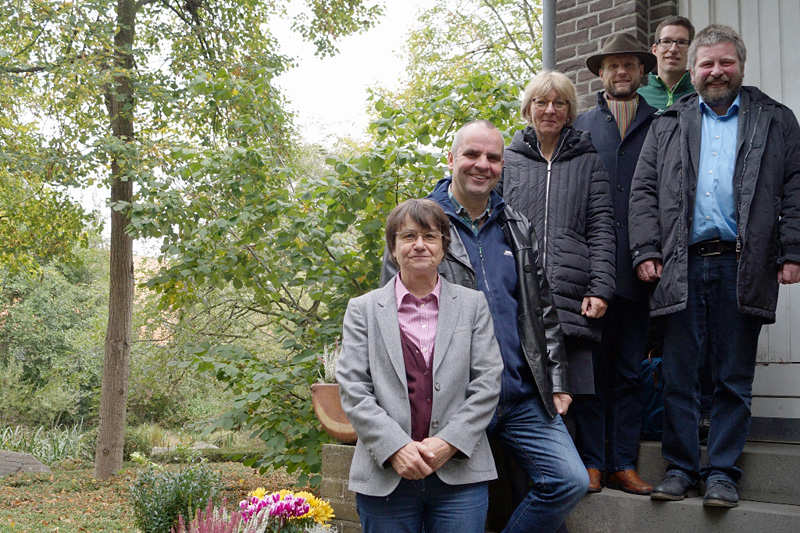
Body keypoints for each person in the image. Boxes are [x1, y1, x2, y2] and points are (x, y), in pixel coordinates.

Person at [381, 120, 589, 532]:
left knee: (569, 480)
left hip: (522, 395)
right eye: (472, 155)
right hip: (455, 399)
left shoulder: (517, 225)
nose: (483, 165)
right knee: (456, 511)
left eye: (493, 157)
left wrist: (558, 379)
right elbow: (394, 317)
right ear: (451, 159)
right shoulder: (420, 228)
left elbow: (541, 309)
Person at [629, 24, 800, 508]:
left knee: (732, 376)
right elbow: (643, 193)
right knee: (680, 375)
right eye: (707, 64)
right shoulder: (669, 121)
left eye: (725, 62)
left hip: (743, 264)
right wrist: (647, 251)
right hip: (681, 265)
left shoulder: (775, 119)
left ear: (740, 65)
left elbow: (794, 185)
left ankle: (722, 472)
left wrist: (793, 250)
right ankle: (681, 468)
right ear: (693, 69)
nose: (716, 71)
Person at [337, 198, 503, 532]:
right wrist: (395, 447)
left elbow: (488, 382)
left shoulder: (473, 305)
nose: (419, 245)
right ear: (393, 248)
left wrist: (449, 442)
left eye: (429, 236)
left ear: (444, 245)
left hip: (461, 475)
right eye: (408, 236)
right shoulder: (363, 310)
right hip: (384, 477)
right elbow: (353, 388)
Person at [571, 32, 658, 496]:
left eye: (629, 64)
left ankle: (623, 463)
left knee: (628, 371)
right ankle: (591, 464)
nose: (620, 72)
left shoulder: (662, 123)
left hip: (642, 272)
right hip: (590, 273)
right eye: (612, 65)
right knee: (589, 373)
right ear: (600, 74)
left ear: (643, 72)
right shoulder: (580, 125)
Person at [498, 70, 615, 400]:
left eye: (559, 103)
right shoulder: (507, 160)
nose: (550, 110)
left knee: (572, 400)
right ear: (528, 108)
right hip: (517, 292)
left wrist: (601, 288)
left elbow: (602, 228)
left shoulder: (589, 162)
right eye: (541, 102)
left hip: (572, 297)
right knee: (519, 395)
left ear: (569, 111)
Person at [638, 16, 696, 110]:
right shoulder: (638, 99)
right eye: (666, 41)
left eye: (681, 42)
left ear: (691, 50)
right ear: (655, 50)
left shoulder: (701, 96)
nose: (673, 49)